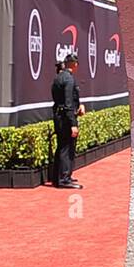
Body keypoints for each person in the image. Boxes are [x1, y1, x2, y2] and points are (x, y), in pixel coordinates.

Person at [50, 52, 85, 189]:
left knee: (61, 147)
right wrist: (73, 124)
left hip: (59, 116)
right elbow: (68, 103)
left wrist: (78, 108)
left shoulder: (58, 78)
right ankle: (64, 179)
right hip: (65, 119)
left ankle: (59, 178)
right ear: (75, 64)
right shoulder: (69, 80)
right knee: (66, 148)